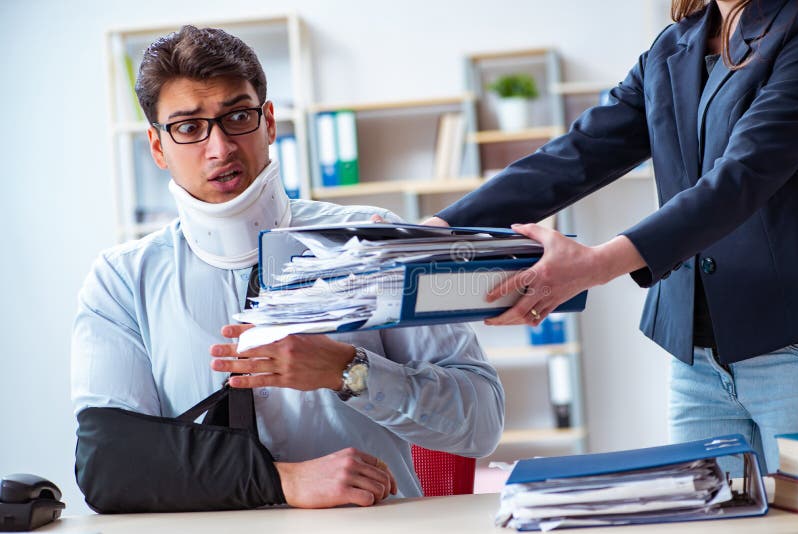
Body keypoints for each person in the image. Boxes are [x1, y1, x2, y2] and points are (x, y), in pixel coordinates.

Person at [70, 25, 504, 512]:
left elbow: (483, 422)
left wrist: (349, 371)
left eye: (237, 116)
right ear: (157, 147)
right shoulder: (121, 282)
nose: (220, 149)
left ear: (269, 122)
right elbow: (109, 462)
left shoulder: (378, 239)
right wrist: (280, 482)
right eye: (189, 128)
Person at [426, 0, 798, 475]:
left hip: (789, 351)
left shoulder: (793, 33)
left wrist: (597, 263)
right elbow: (578, 154)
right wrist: (436, 230)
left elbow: (742, 177)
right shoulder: (673, 46)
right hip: (697, 362)